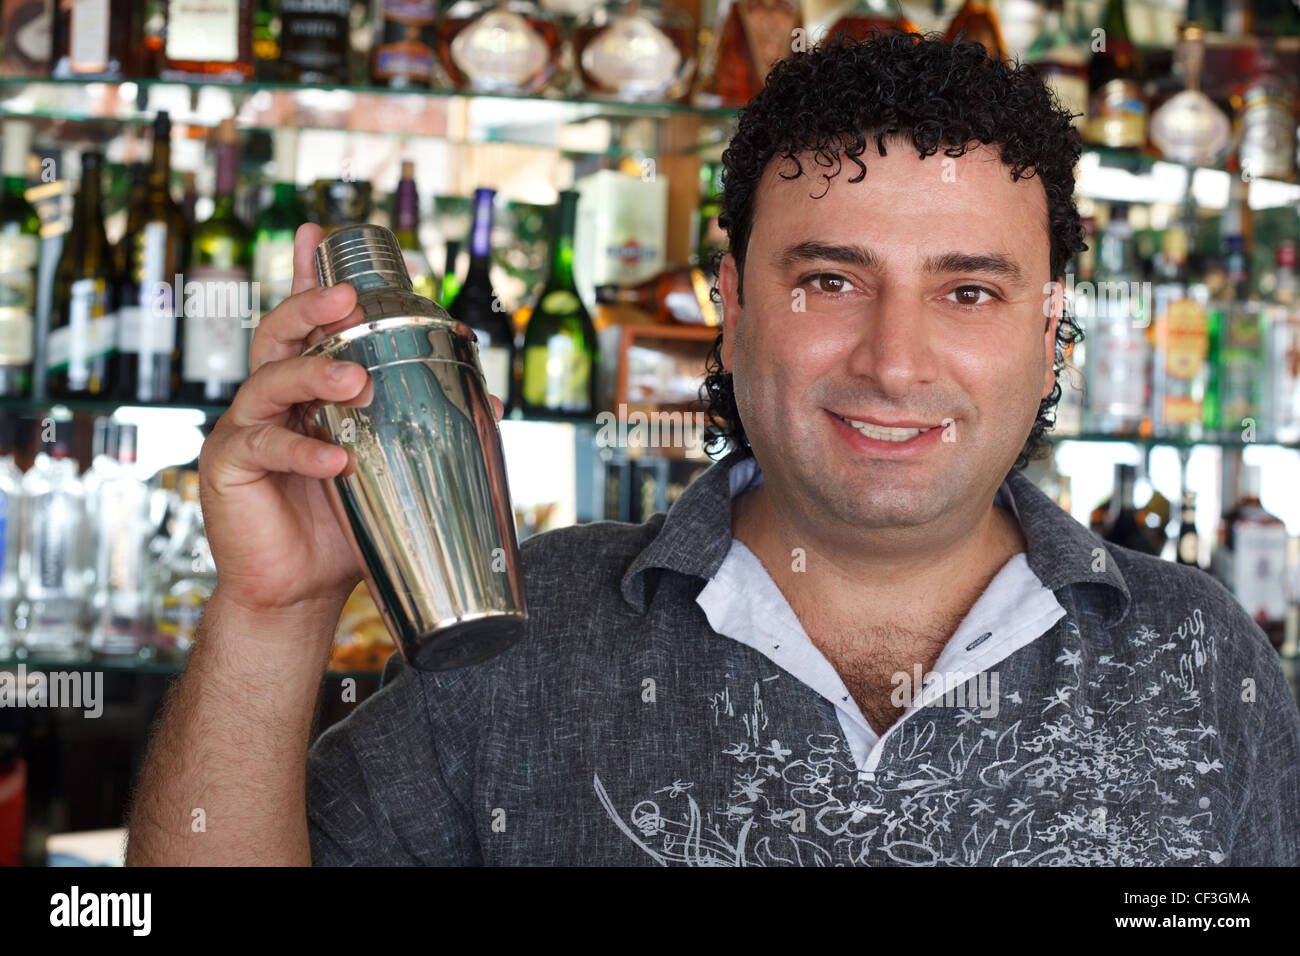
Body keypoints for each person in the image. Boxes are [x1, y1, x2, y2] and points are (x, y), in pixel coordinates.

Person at [126, 32, 1300, 866]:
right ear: (731, 303)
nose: (894, 362)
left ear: (1053, 331)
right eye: (830, 279)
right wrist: (270, 612)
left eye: (970, 292)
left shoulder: (1202, 656)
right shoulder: (514, 640)